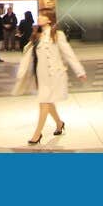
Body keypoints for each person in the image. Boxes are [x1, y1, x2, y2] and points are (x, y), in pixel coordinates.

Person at [14, 8, 87, 145]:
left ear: (49, 19)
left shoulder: (57, 34)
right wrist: (21, 72)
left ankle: (37, 134)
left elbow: (68, 53)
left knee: (44, 102)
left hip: (55, 75)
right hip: (41, 76)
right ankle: (59, 123)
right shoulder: (36, 35)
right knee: (48, 101)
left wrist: (79, 71)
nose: (39, 17)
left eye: (42, 16)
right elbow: (28, 55)